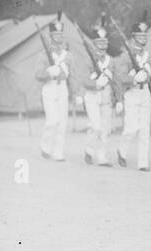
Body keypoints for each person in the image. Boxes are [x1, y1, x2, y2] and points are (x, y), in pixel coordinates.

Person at [115, 17, 151, 172]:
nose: (143, 38)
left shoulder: (149, 56)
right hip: (132, 94)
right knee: (131, 129)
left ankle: (143, 162)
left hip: (145, 94)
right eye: (140, 36)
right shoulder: (126, 56)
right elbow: (121, 78)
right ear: (134, 37)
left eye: (145, 36)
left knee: (145, 129)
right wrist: (134, 79)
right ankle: (122, 150)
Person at [35, 17, 75, 161]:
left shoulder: (68, 55)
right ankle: (45, 147)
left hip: (62, 88)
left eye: (60, 34)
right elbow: (38, 75)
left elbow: (72, 76)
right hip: (49, 88)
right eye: (55, 34)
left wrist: (76, 94)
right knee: (52, 120)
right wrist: (48, 72)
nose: (58, 37)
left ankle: (58, 153)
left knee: (62, 122)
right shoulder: (44, 54)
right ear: (51, 36)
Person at [80, 22, 119, 167]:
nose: (101, 49)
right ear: (94, 46)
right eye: (98, 45)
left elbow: (116, 81)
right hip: (92, 95)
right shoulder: (89, 60)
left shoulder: (111, 61)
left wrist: (119, 99)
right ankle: (89, 150)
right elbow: (84, 80)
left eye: (104, 46)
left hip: (107, 97)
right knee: (96, 126)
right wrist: (96, 83)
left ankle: (102, 156)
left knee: (106, 129)